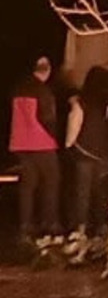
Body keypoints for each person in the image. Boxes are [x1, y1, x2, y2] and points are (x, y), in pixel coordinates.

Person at [8, 55, 61, 239]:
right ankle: (50, 222)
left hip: (21, 144)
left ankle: (25, 224)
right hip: (42, 143)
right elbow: (48, 119)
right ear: (48, 71)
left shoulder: (18, 89)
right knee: (51, 181)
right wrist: (55, 138)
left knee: (28, 186)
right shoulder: (43, 91)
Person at [66, 65, 108, 236]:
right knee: (101, 192)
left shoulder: (81, 103)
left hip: (84, 153)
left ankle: (80, 228)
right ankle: (102, 226)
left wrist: (68, 145)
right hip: (103, 154)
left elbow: (74, 128)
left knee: (82, 193)